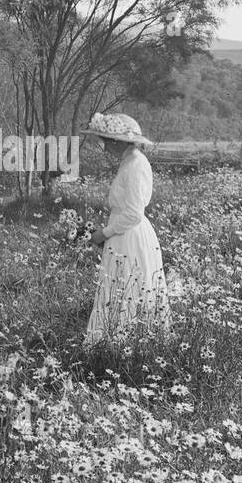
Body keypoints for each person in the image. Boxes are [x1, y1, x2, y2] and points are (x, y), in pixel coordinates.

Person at [80, 113, 171, 346]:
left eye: (107, 141)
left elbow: (133, 213)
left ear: (119, 142)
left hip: (129, 235)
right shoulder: (129, 161)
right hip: (123, 233)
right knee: (119, 287)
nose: (104, 147)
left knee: (129, 286)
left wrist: (104, 233)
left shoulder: (136, 164)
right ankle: (114, 343)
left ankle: (131, 343)